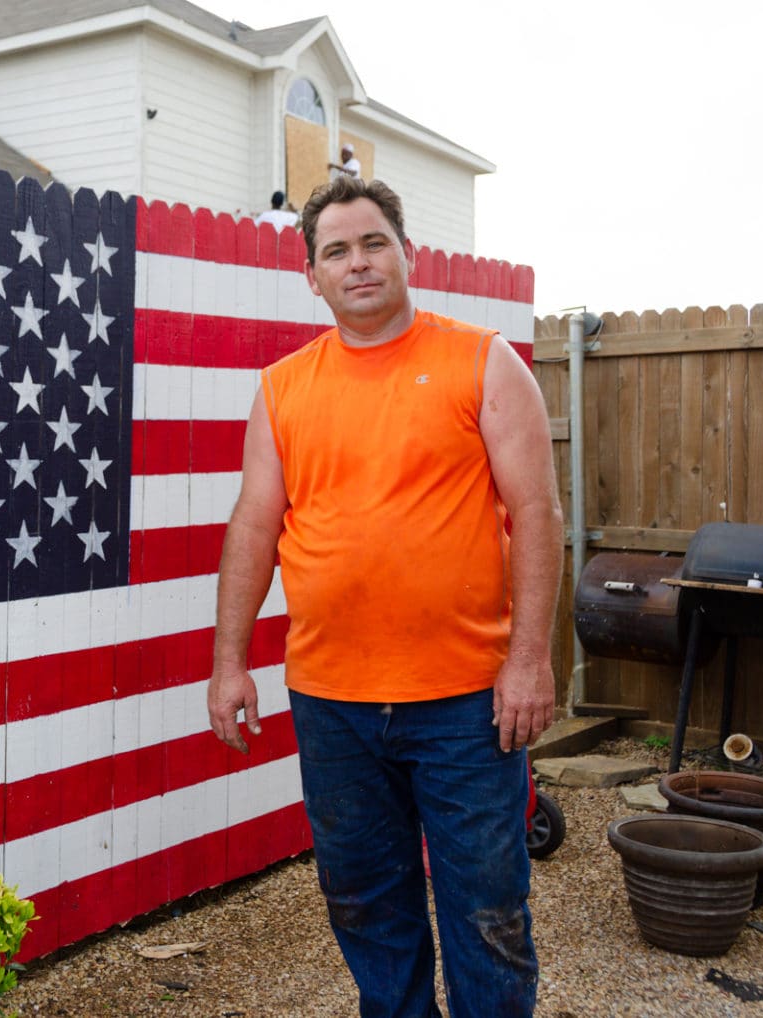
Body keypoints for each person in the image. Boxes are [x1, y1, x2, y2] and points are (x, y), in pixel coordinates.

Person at [206, 175, 563, 1018]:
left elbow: (539, 514)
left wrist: (530, 661)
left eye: (373, 243)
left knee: (486, 910)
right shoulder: (284, 388)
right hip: (333, 702)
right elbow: (255, 529)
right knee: (367, 905)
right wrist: (229, 664)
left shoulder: (481, 360)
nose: (357, 262)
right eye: (337, 250)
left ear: (407, 254)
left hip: (467, 703)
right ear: (312, 275)